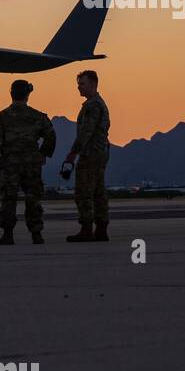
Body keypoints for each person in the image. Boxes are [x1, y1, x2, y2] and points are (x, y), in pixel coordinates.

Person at [0, 80, 56, 245]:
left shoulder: (1, 117)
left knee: (8, 199)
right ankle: (36, 234)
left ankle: (7, 234)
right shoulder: (38, 116)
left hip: (10, 164)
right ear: (28, 94)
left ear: (11, 94)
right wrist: (43, 154)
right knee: (33, 198)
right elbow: (51, 136)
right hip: (32, 164)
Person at [61, 70, 111, 242]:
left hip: (90, 154)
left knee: (83, 192)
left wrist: (72, 154)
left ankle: (87, 229)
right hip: (100, 153)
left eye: (82, 83)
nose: (78, 87)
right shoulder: (99, 103)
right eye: (78, 84)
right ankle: (101, 229)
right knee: (98, 192)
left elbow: (86, 132)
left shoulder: (92, 106)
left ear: (93, 84)